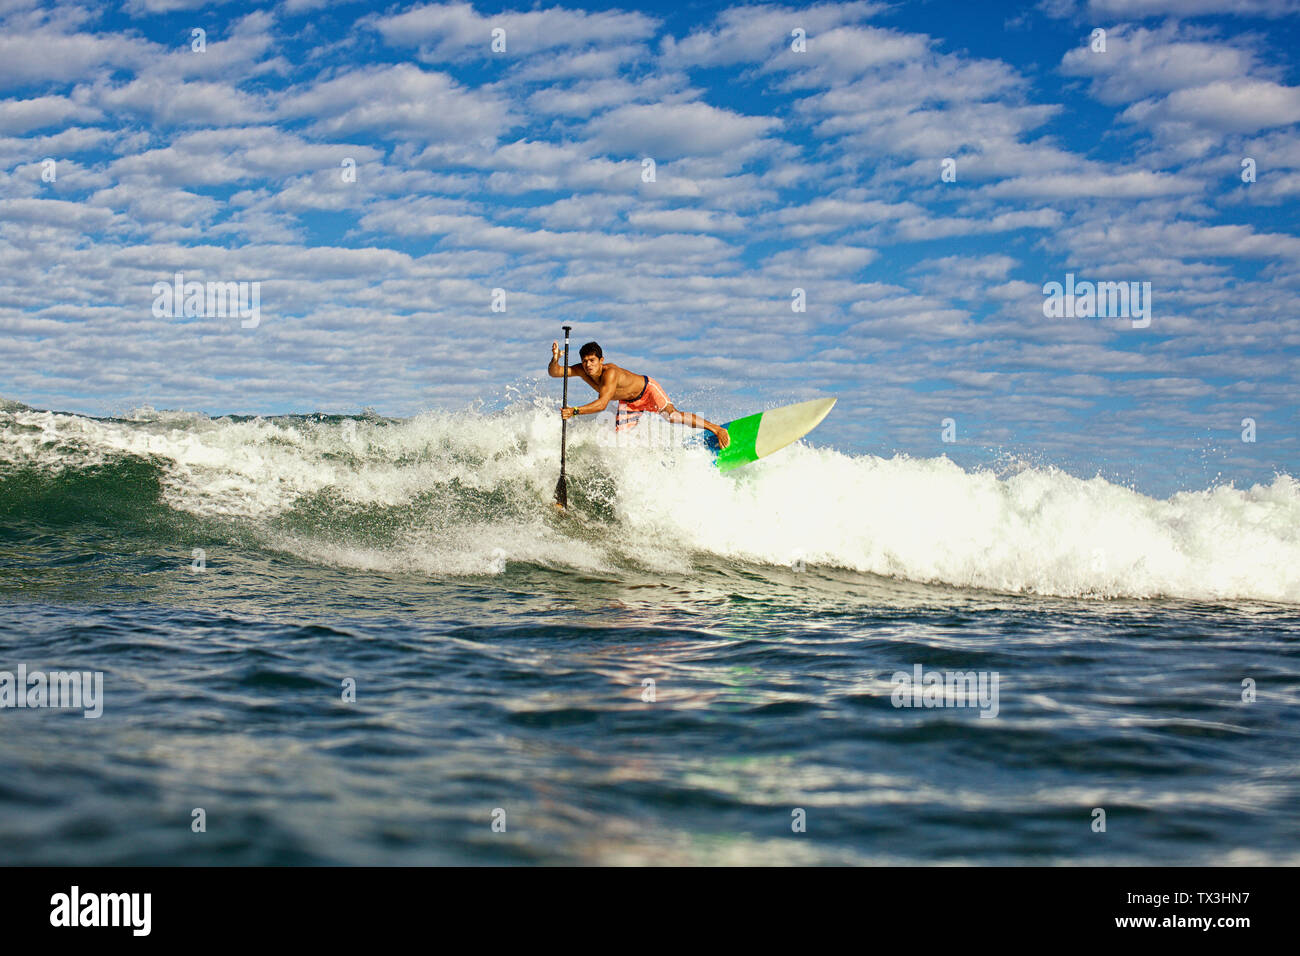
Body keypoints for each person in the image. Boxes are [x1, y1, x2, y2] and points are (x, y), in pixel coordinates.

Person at [548, 340, 730, 448]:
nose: (588, 365)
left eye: (592, 360)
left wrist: (575, 411)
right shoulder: (582, 370)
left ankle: (717, 429)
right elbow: (555, 372)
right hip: (629, 403)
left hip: (648, 391)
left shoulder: (609, 373)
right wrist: (555, 358)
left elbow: (602, 404)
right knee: (619, 440)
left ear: (601, 360)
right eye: (585, 361)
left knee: (672, 416)